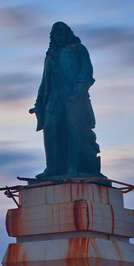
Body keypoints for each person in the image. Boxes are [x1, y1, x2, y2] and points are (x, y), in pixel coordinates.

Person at [29, 22, 102, 179]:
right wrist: (38, 102)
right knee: (49, 127)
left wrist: (81, 86)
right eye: (55, 33)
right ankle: (51, 167)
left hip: (73, 96)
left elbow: (87, 70)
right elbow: (44, 81)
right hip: (53, 97)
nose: (58, 35)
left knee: (73, 128)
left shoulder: (78, 49)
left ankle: (72, 166)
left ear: (68, 33)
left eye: (61, 32)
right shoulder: (50, 55)